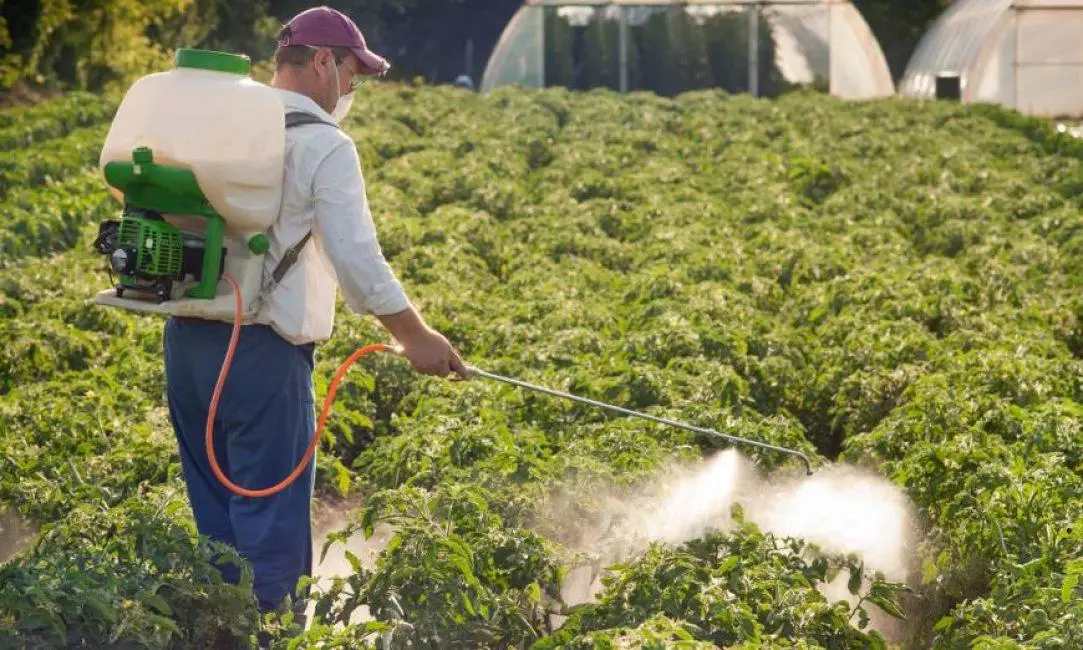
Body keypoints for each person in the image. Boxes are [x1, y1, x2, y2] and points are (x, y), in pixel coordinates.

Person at [161, 4, 468, 632]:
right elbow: (357, 259)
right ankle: (270, 639)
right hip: (260, 359)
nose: (352, 91)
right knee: (269, 534)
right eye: (353, 75)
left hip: (187, 345)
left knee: (216, 529)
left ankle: (220, 637)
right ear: (324, 62)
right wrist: (418, 339)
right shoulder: (324, 145)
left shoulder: (219, 124)